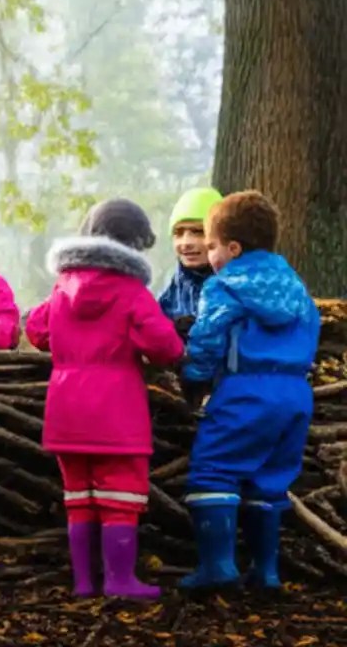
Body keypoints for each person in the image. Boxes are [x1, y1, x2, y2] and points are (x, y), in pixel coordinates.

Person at [25, 198, 183, 600]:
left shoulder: (62, 286)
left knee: (79, 499)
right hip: (116, 413)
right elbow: (164, 345)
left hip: (65, 410)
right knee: (121, 499)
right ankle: (119, 580)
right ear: (133, 244)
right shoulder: (130, 291)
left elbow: (37, 331)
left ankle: (82, 583)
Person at [178, 191, 319, 592]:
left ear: (233, 248)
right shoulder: (297, 288)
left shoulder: (225, 286)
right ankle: (266, 571)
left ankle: (218, 567)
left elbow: (207, 338)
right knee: (270, 478)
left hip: (245, 388)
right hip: (295, 393)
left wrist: (195, 376)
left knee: (213, 470)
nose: (209, 255)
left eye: (211, 246)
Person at [158, 187, 224, 326]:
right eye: (178, 233)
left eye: (198, 232)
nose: (186, 243)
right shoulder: (172, 294)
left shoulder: (241, 289)